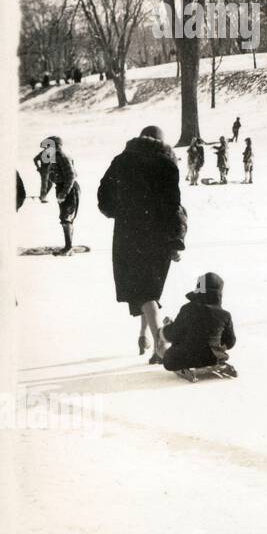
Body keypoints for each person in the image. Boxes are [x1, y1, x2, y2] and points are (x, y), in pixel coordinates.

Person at [98, 125, 187, 362]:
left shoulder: (122, 160)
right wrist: (176, 239)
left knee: (142, 289)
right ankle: (146, 335)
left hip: (129, 234)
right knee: (149, 289)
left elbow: (103, 198)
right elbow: (174, 206)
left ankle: (158, 338)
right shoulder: (167, 163)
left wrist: (123, 211)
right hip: (159, 235)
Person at [161, 272, 238, 381]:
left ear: (199, 291)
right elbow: (230, 342)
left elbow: (173, 334)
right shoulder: (224, 315)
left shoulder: (187, 309)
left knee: (167, 357)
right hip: (213, 358)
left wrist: (164, 329)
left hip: (186, 358)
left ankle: (181, 365)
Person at [43, 137, 80, 254]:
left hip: (69, 189)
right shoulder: (54, 158)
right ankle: (69, 246)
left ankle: (68, 248)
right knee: (65, 218)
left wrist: (64, 193)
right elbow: (50, 177)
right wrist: (45, 194)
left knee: (66, 218)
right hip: (62, 188)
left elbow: (71, 176)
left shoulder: (62, 157)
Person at [33, 137, 56, 202]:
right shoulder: (46, 152)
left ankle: (43, 196)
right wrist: (38, 167)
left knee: (49, 184)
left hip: (47, 170)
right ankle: (42, 197)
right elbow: (35, 159)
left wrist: (38, 167)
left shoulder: (47, 152)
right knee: (45, 184)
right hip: (45, 170)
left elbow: (35, 159)